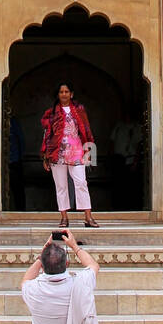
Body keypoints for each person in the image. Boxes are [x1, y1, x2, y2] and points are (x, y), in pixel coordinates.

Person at [40, 82, 99, 228]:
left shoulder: (79, 110)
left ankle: (88, 217)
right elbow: (47, 135)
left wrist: (89, 151)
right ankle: (64, 218)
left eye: (67, 92)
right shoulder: (51, 113)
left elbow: (86, 131)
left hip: (76, 152)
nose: (64, 94)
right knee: (61, 186)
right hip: (57, 153)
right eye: (61, 92)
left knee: (81, 183)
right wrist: (45, 156)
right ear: (58, 95)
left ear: (71, 94)